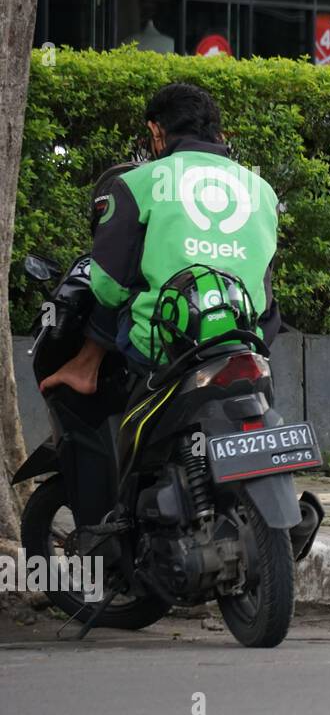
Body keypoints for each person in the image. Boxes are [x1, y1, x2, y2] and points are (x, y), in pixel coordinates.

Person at [39, 82, 281, 528]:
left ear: (156, 132)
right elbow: (263, 288)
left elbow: (109, 285)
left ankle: (122, 495)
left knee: (123, 304)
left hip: (166, 347)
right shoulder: (261, 189)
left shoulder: (138, 183)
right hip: (244, 342)